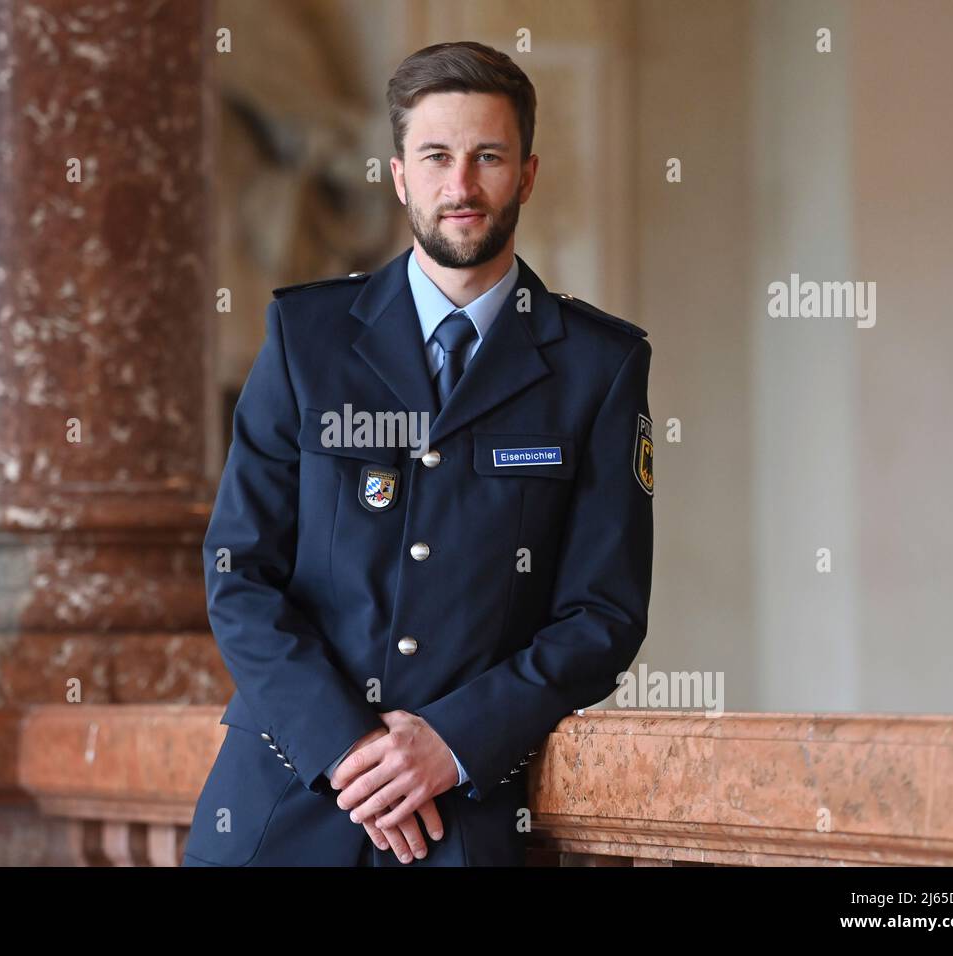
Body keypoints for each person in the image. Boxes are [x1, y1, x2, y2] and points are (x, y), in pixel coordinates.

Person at [182, 40, 653, 867]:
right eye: (436, 157)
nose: (460, 186)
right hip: (280, 804)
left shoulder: (599, 365)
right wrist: (346, 746)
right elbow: (239, 570)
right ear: (400, 176)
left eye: (487, 157)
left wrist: (453, 740)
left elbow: (602, 614)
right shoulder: (306, 338)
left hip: (460, 819)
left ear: (527, 175)